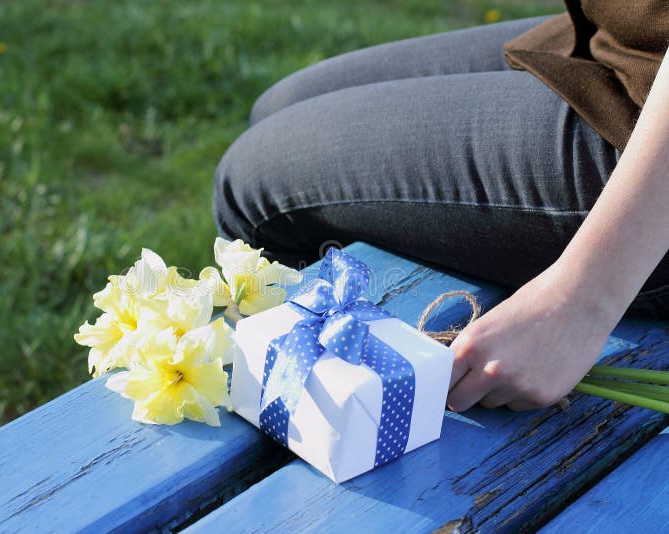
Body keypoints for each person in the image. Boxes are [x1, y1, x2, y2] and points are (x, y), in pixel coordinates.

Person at [212, 2, 669, 412]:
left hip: (646, 154)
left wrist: (580, 301)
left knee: (253, 186)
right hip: (618, 36)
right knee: (280, 106)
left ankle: (319, 426)